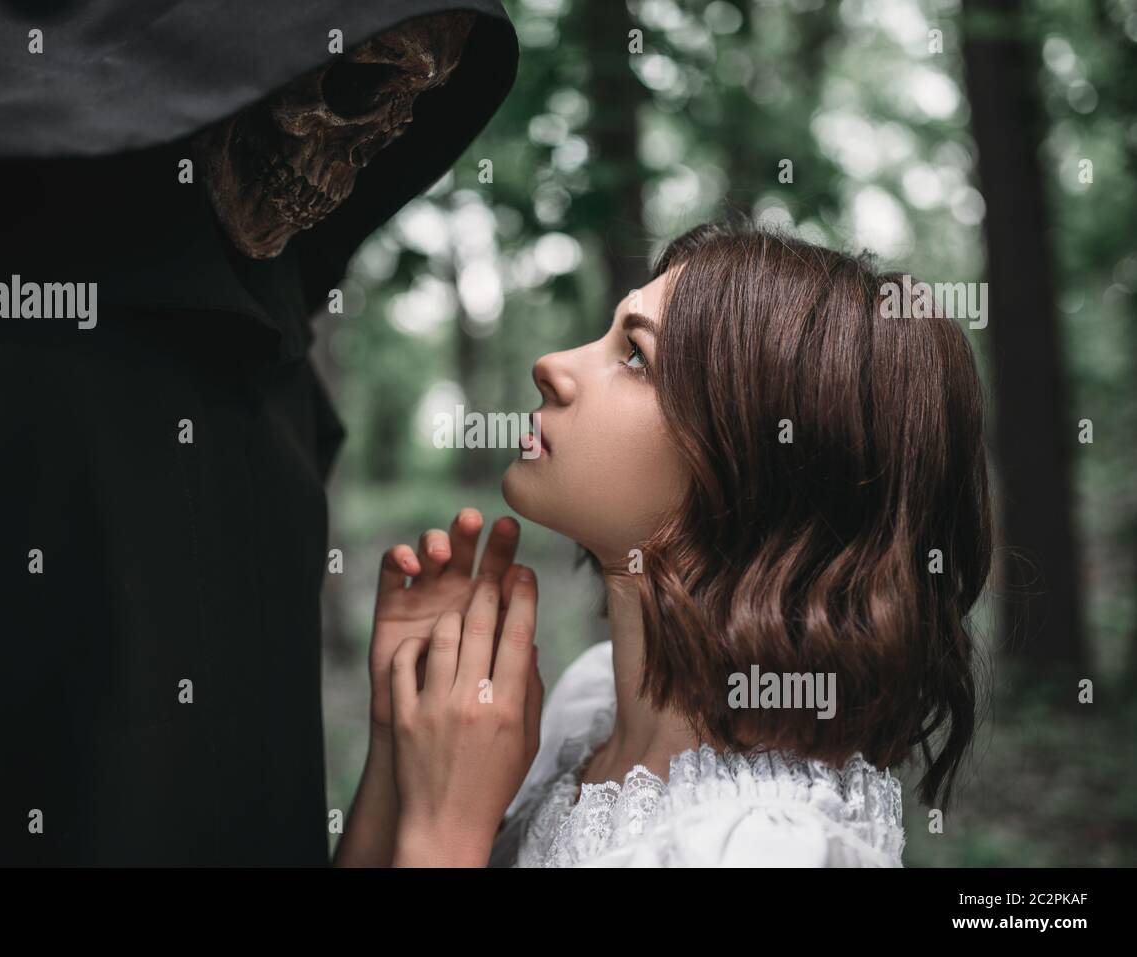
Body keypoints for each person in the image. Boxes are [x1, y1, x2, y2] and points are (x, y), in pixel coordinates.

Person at [0, 2, 518, 866]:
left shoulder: (269, 351)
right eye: (357, 90)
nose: (349, 165)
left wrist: (411, 780)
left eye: (404, 119)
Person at [336, 219, 993, 867]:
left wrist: (446, 832)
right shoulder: (587, 700)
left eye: (635, 358)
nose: (551, 366)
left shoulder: (763, 848)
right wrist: (405, 743)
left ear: (755, 468)